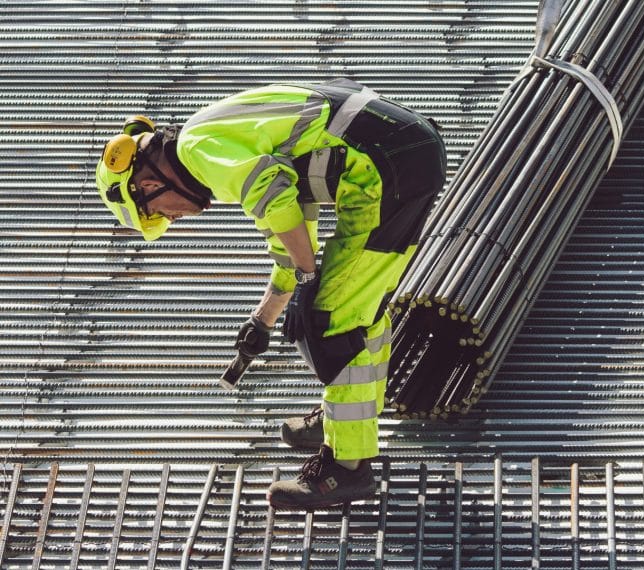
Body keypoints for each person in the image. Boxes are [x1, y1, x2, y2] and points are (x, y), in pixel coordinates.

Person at [95, 78, 447, 509]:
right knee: (358, 310)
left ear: (148, 186)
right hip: (399, 158)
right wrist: (264, 318)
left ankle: (346, 470)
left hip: (387, 167)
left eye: (159, 213)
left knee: (333, 320)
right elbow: (291, 224)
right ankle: (344, 422)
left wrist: (307, 278)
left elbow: (276, 201)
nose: (174, 217)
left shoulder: (198, 152)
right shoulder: (211, 137)